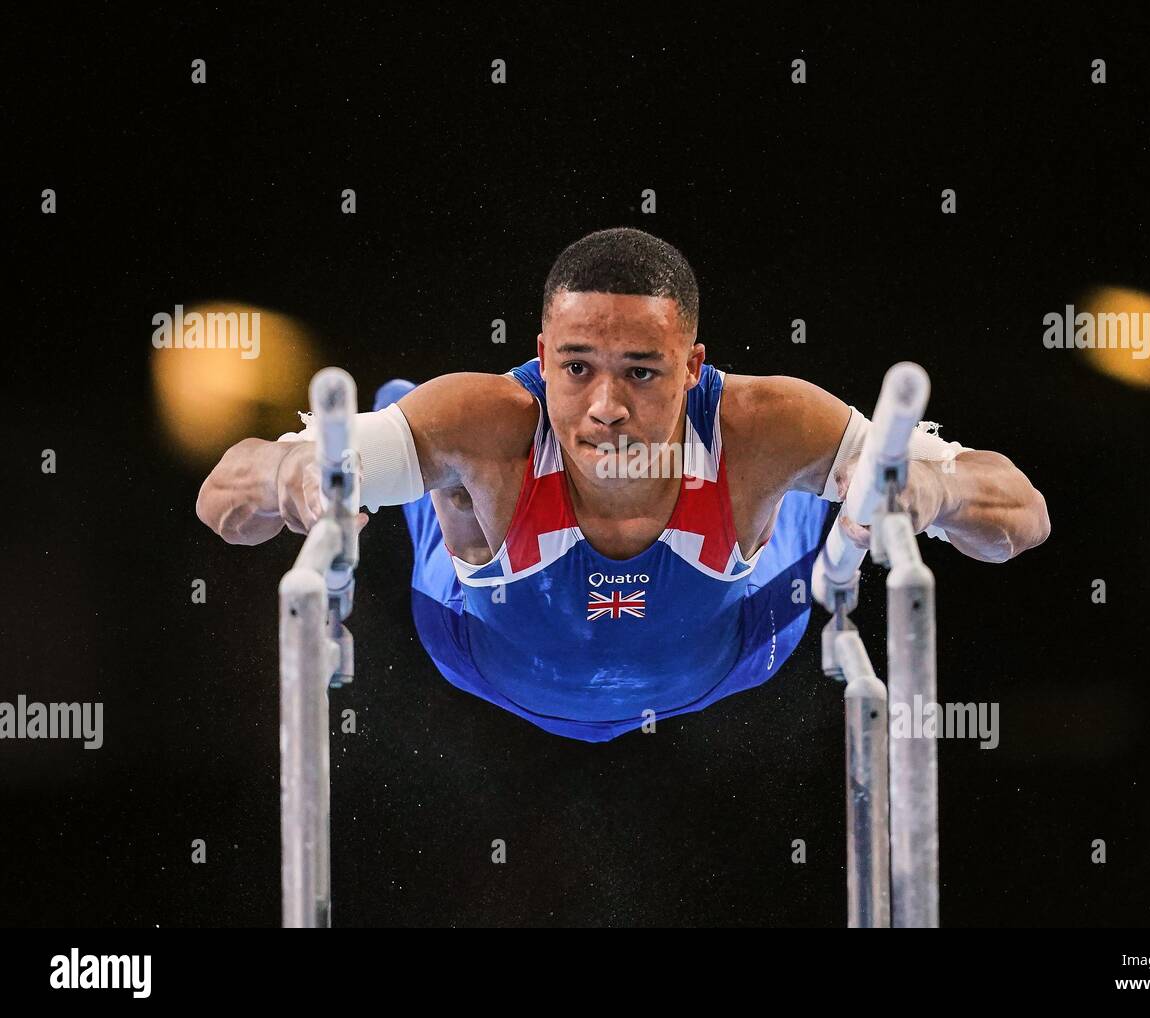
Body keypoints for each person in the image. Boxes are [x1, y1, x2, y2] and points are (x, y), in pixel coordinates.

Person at [196, 227, 1050, 741]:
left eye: (642, 372)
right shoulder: (486, 425)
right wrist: (291, 475)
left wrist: (929, 496)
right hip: (485, 648)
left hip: (733, 643)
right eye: (575, 368)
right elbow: (221, 498)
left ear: (693, 368)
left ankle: (823, 499)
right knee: (422, 447)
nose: (605, 408)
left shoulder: (761, 425)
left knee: (829, 481)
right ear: (540, 357)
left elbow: (1024, 514)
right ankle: (396, 436)